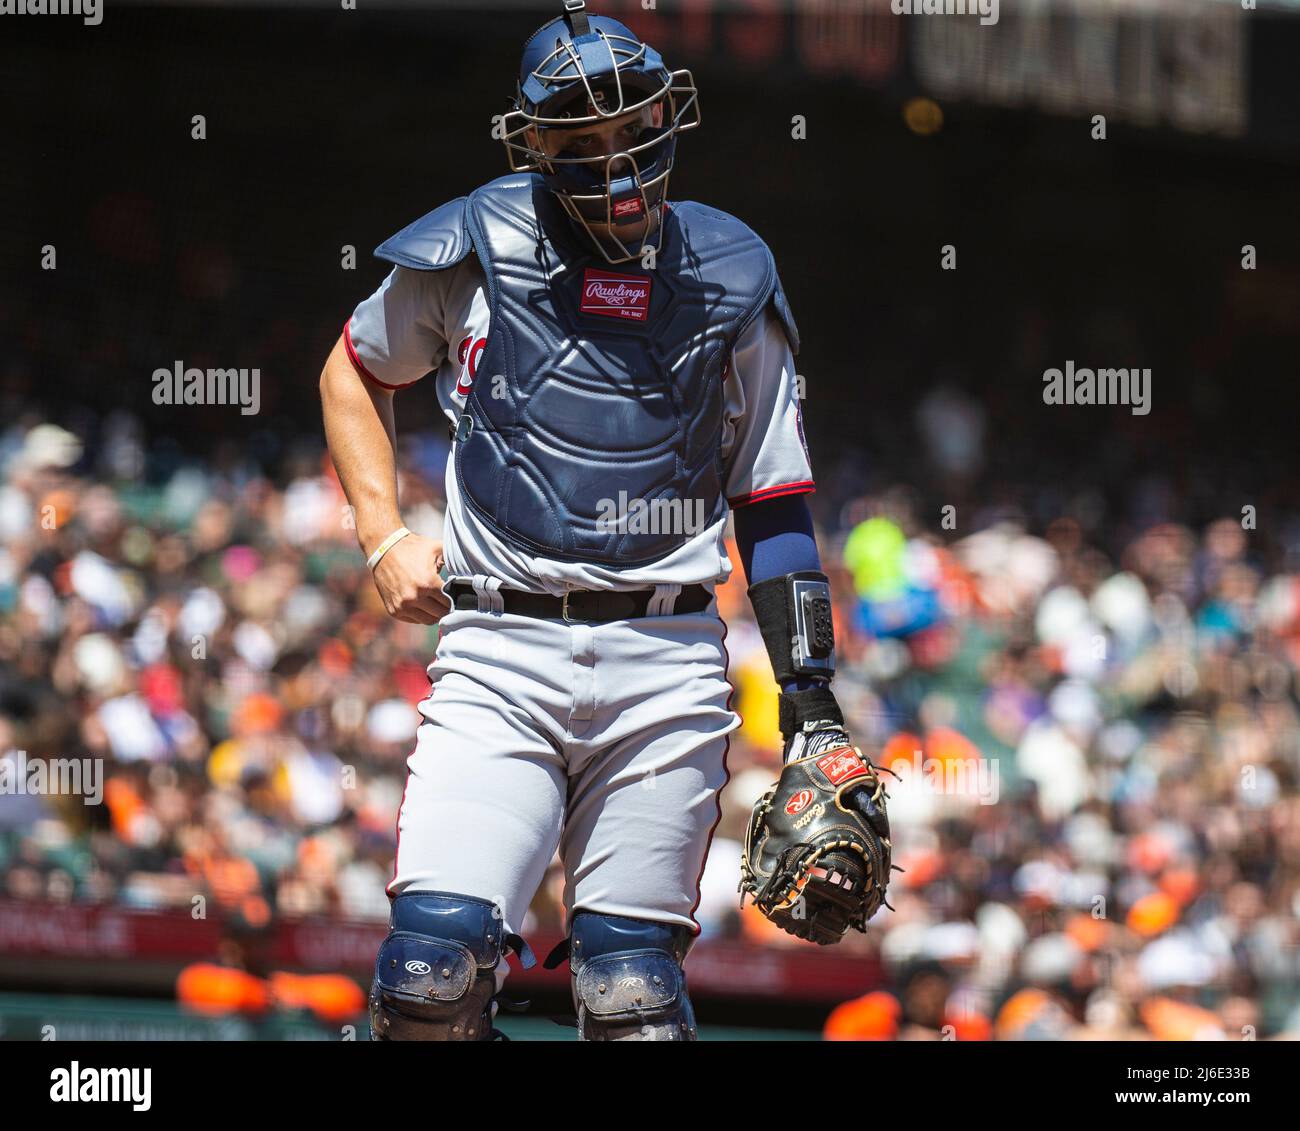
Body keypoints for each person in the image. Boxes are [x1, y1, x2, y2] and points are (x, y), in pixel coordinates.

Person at [319, 2, 891, 1042]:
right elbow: (353, 368)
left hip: (664, 660)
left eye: (633, 131)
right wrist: (383, 534)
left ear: (672, 119)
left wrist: (812, 705)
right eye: (582, 142)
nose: (616, 163)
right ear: (530, 144)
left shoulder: (730, 270)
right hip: (499, 645)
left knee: (632, 1001)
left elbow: (772, 497)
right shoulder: (472, 242)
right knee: (429, 978)